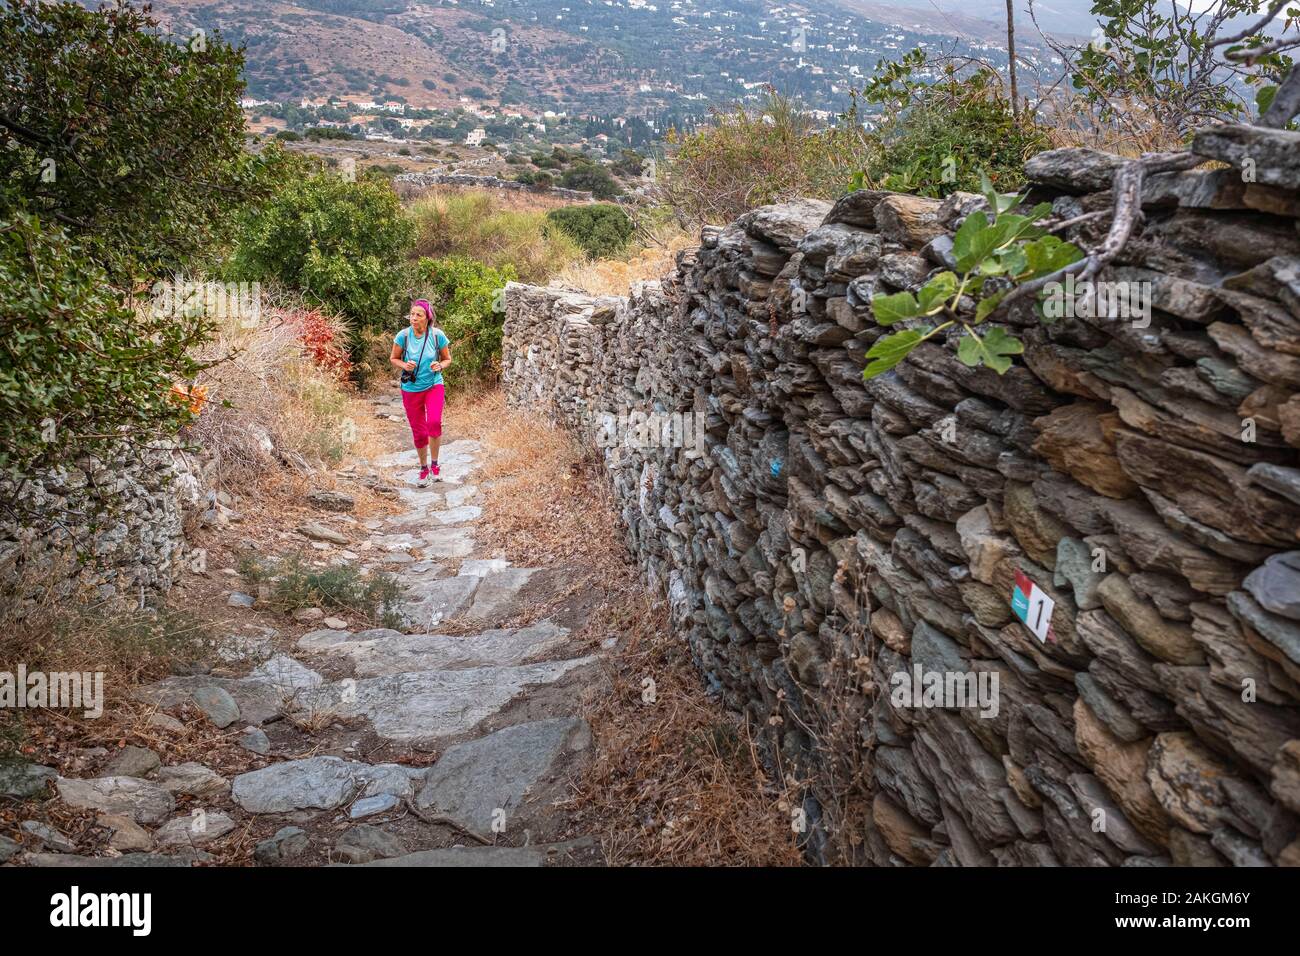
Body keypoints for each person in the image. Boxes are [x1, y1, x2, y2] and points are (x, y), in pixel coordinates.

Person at [391, 299, 452, 486]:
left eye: (419, 315)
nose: (414, 318)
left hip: (434, 385)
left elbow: (447, 359)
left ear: (428, 318)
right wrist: (405, 365)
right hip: (411, 389)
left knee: (434, 423)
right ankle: (423, 469)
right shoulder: (403, 336)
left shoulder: (437, 336)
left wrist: (439, 365)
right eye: (412, 314)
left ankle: (435, 465)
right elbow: (393, 358)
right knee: (419, 432)